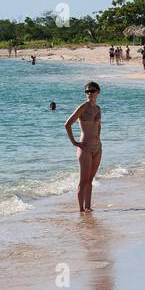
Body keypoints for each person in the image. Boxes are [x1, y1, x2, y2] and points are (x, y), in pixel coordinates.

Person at [64, 82, 103, 213]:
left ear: (98, 92)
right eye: (87, 91)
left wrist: (98, 140)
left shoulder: (98, 108)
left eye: (92, 91)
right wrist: (74, 142)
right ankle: (81, 211)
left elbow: (98, 126)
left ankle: (88, 207)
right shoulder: (83, 107)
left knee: (90, 180)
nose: (90, 93)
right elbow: (67, 124)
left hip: (97, 148)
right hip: (85, 148)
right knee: (83, 180)